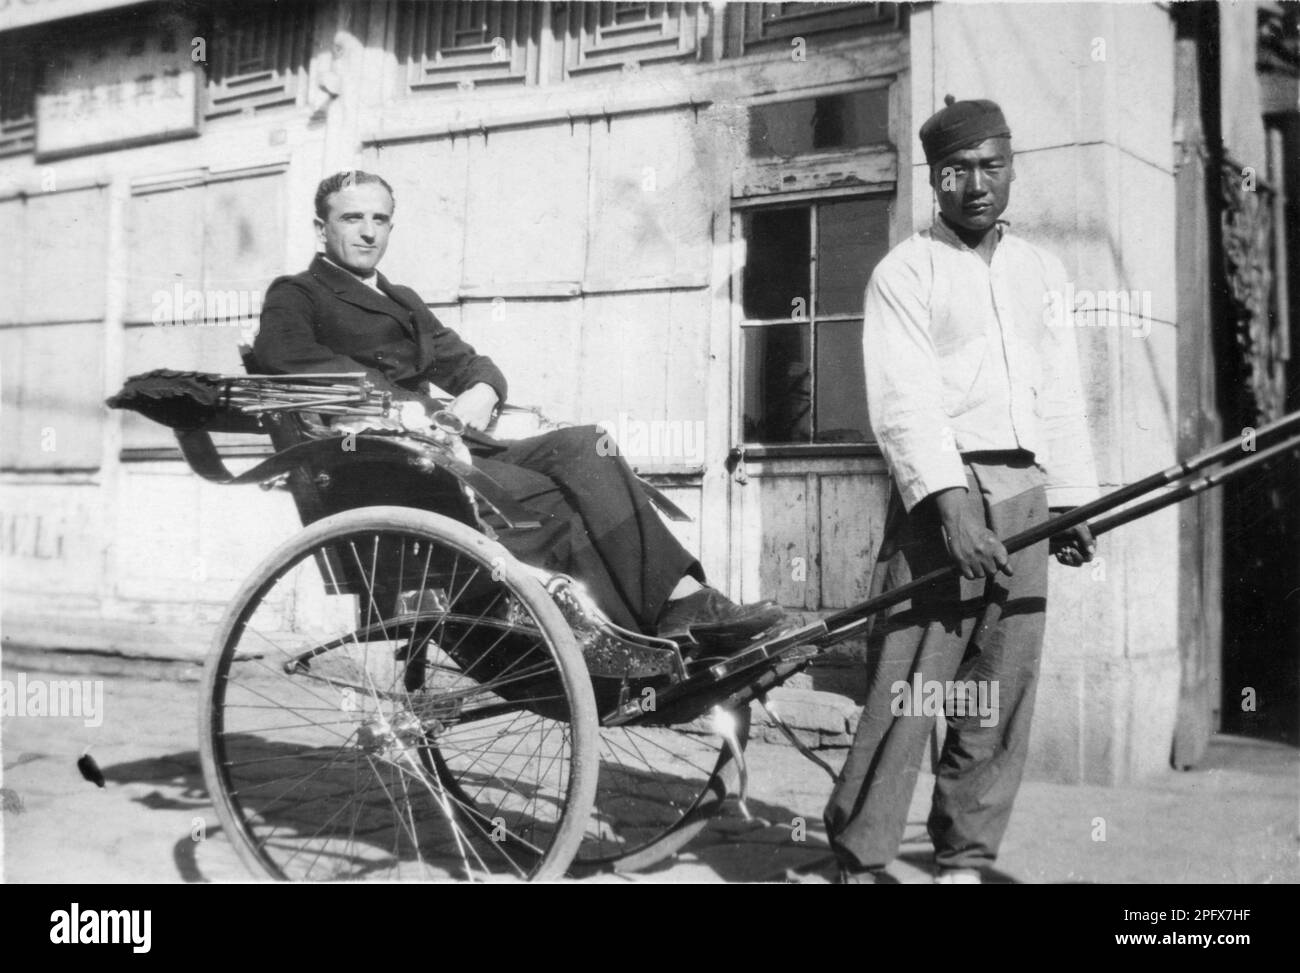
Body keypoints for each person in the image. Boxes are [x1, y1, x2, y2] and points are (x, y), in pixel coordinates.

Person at [253, 170, 783, 649]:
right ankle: (637, 632)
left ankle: (686, 601)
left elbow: (469, 363)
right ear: (322, 229)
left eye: (380, 219)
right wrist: (398, 406)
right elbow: (284, 355)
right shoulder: (297, 293)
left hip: (449, 445)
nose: (368, 232)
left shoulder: (403, 298)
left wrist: (482, 389)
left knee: (585, 445)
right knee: (552, 498)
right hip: (385, 463)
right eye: (351, 218)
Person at [823, 97, 1100, 884]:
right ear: (935, 179)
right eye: (958, 171)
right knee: (909, 687)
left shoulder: (1042, 270)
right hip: (939, 499)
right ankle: (860, 851)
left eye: (992, 166)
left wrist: (1071, 502)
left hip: (1026, 490)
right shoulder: (903, 273)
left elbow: (1062, 392)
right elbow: (905, 399)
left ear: (1011, 168)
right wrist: (949, 506)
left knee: (996, 690)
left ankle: (965, 856)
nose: (977, 184)